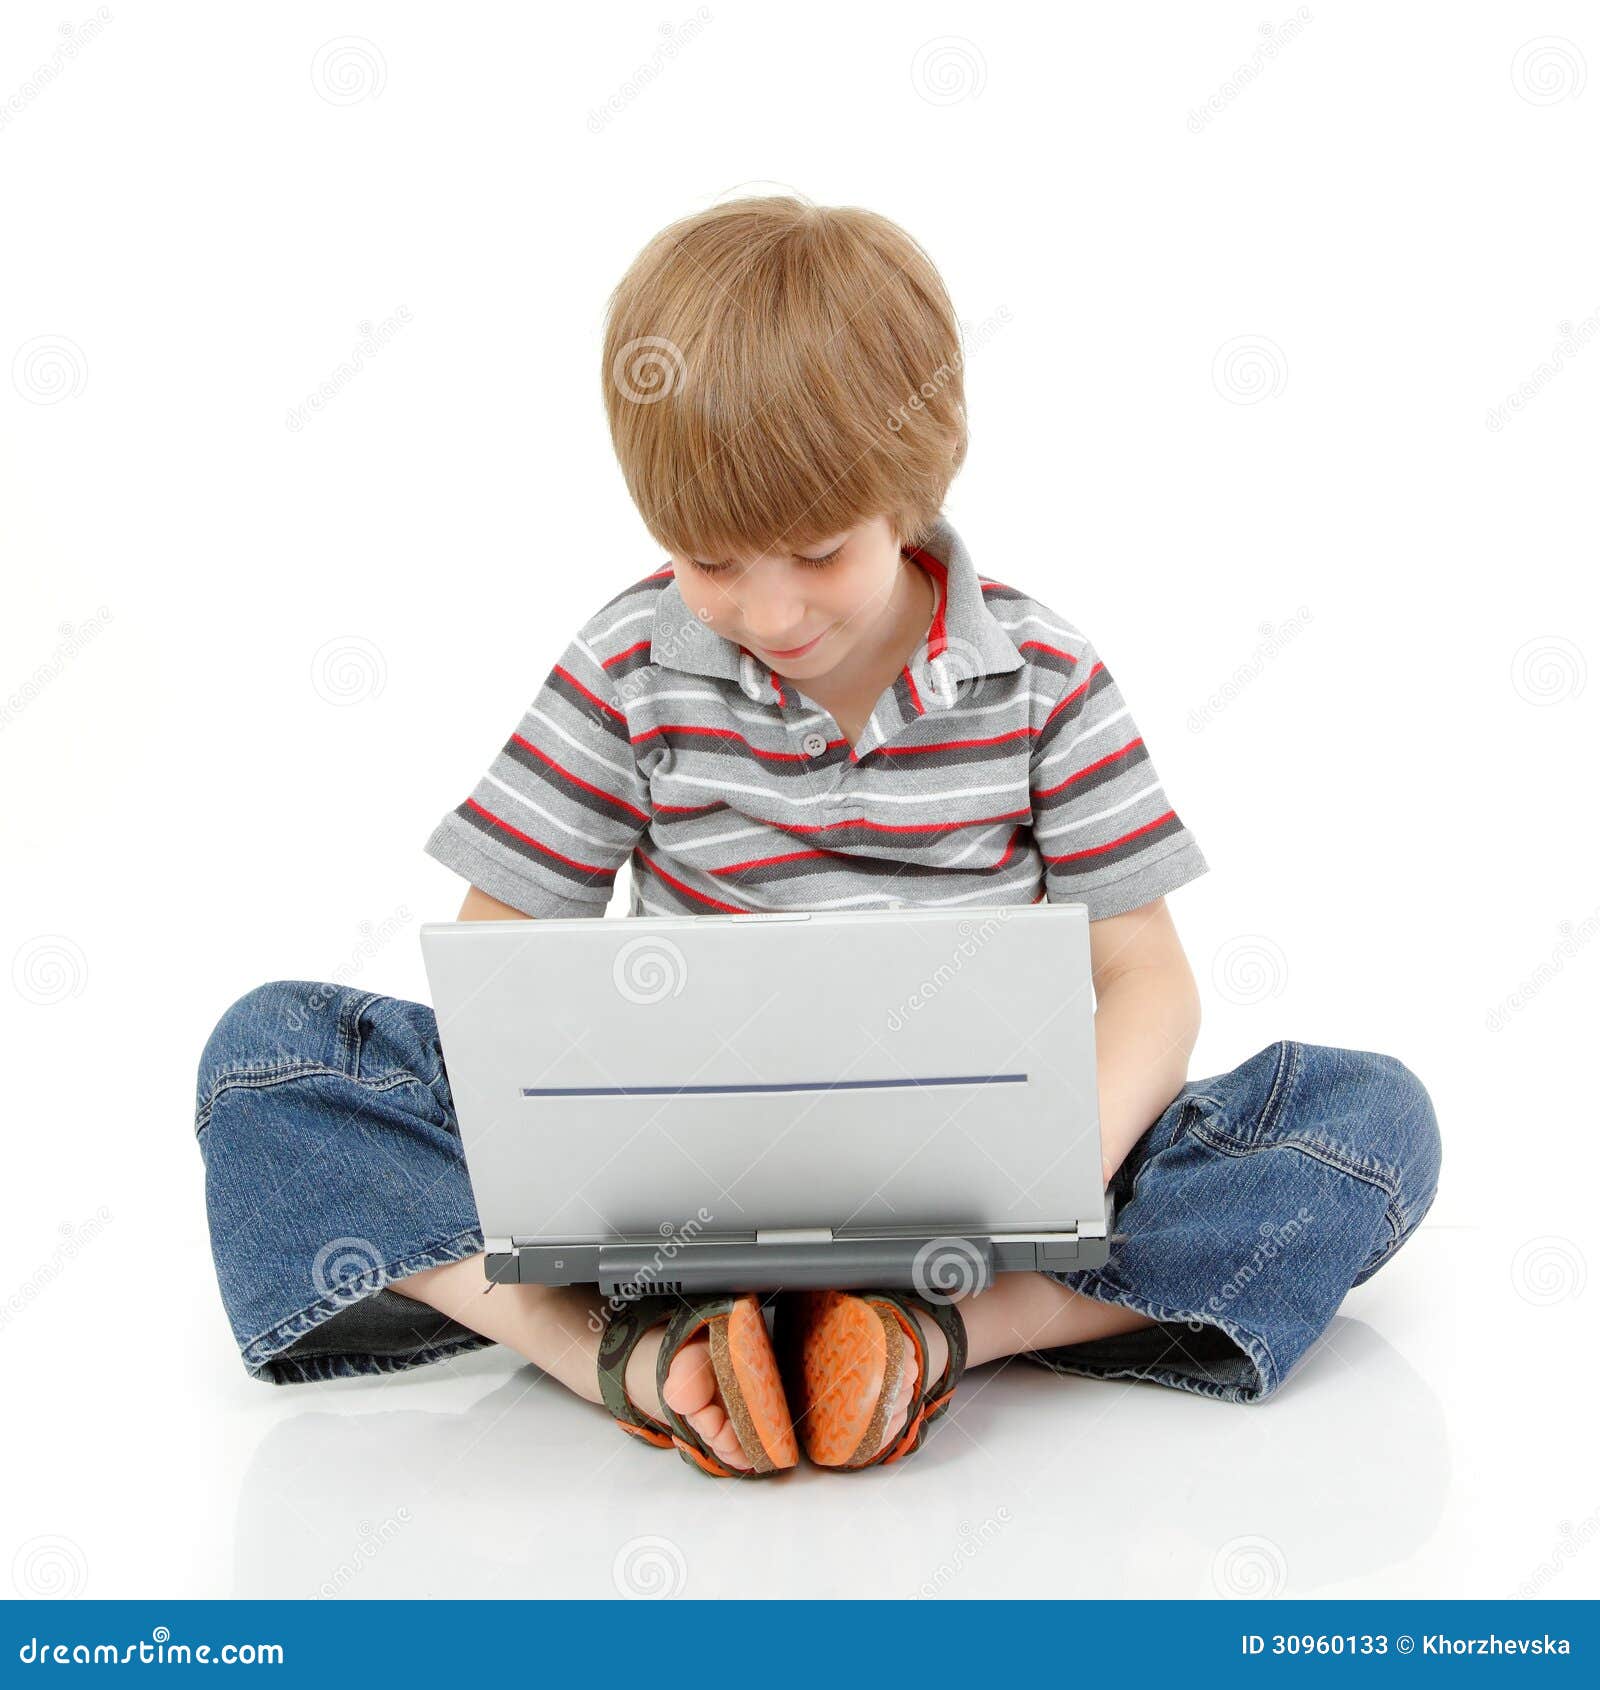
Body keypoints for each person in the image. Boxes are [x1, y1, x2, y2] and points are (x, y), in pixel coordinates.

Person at [194, 195, 1441, 1479]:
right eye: (710, 560)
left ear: (910, 491)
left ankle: (942, 1333)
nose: (767, 608)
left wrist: (1054, 1167)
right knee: (272, 1054)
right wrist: (580, 1143)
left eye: (813, 551)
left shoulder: (1042, 677)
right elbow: (500, 970)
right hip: (665, 1198)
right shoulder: (630, 663)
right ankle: (613, 1354)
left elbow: (1147, 978)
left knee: (1366, 1120)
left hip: (974, 1199)